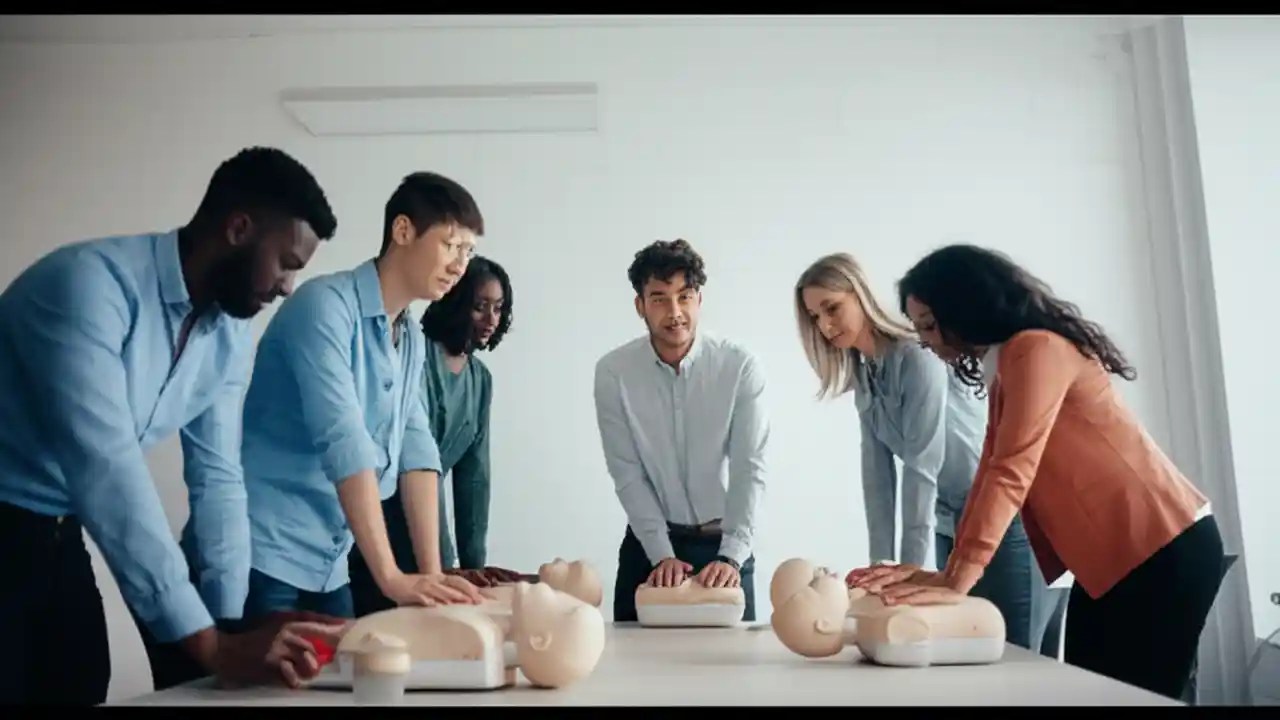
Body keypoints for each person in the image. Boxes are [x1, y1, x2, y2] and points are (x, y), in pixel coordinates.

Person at [0, 146, 351, 704]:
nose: (287, 286)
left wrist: (232, 622)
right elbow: (107, 474)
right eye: (286, 261)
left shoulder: (230, 333)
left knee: (80, 681)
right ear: (239, 228)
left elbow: (218, 477)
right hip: (10, 516)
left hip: (59, 527)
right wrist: (212, 646)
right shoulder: (87, 289)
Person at [848, 244, 1224, 699]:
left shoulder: (1036, 349)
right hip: (1113, 561)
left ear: (965, 306)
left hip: (1163, 549)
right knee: (1088, 691)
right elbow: (988, 472)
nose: (925, 340)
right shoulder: (1008, 363)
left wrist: (958, 581)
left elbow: (1011, 470)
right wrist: (946, 574)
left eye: (928, 325)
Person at [240, 171, 486, 627]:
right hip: (261, 557)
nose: (460, 265)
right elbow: (344, 441)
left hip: (330, 567)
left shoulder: (409, 336)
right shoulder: (325, 308)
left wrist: (432, 577)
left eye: (468, 252)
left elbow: (417, 451)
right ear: (403, 230)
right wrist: (392, 578)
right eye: (452, 245)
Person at [794, 252, 1068, 653]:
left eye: (832, 308)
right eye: (815, 317)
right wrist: (882, 569)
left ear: (861, 296)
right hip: (951, 524)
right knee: (970, 654)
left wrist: (904, 577)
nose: (825, 325)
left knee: (1017, 659)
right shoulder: (865, 373)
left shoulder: (916, 357)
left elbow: (922, 470)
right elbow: (879, 482)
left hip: (1010, 518)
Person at [593, 239, 771, 622]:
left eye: (684, 296)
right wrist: (662, 554)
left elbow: (749, 468)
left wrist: (731, 555)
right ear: (640, 305)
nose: (675, 312)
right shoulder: (613, 372)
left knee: (737, 670)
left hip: (727, 547)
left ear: (699, 299)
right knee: (632, 670)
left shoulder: (739, 366)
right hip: (650, 544)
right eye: (659, 298)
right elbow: (626, 472)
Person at [350, 256, 522, 615]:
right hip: (386, 515)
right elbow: (418, 464)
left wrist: (475, 566)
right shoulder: (417, 354)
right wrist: (442, 567)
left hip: (427, 527)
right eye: (480, 307)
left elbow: (475, 478)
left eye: (498, 308)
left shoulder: (481, 380)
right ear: (456, 303)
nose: (491, 319)